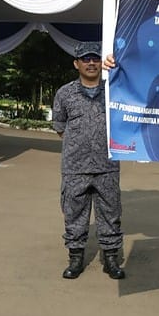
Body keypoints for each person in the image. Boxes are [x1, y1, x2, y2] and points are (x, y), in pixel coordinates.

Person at [52, 42, 125, 281]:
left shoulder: (114, 90)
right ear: (77, 63)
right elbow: (60, 126)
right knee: (74, 213)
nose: (91, 63)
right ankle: (75, 257)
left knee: (111, 213)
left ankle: (111, 258)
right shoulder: (65, 93)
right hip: (75, 168)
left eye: (95, 58)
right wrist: (80, 144)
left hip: (107, 166)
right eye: (85, 59)